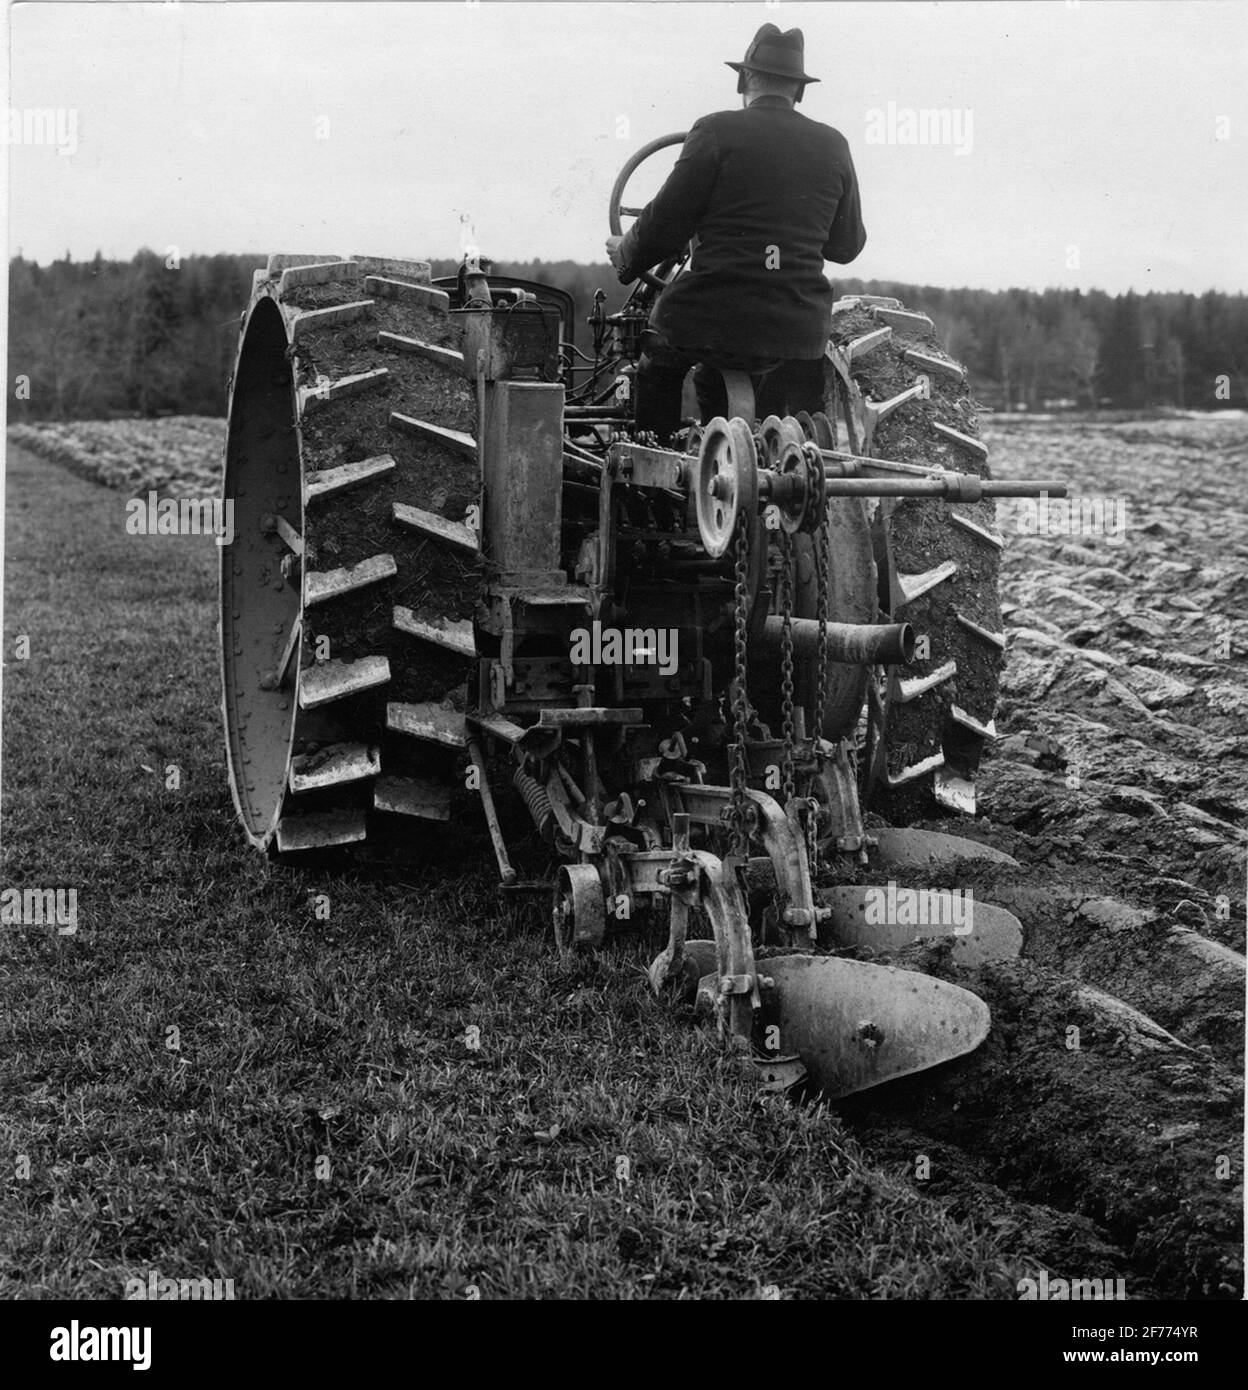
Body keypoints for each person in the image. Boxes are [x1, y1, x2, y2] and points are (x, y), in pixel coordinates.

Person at [606, 24, 866, 442]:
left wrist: (625, 253)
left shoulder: (714, 131)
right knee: (727, 378)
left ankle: (652, 487)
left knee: (656, 358)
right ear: (799, 91)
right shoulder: (834, 144)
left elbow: (664, 225)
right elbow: (847, 245)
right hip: (798, 326)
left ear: (744, 79)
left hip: (713, 316)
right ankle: (749, 458)